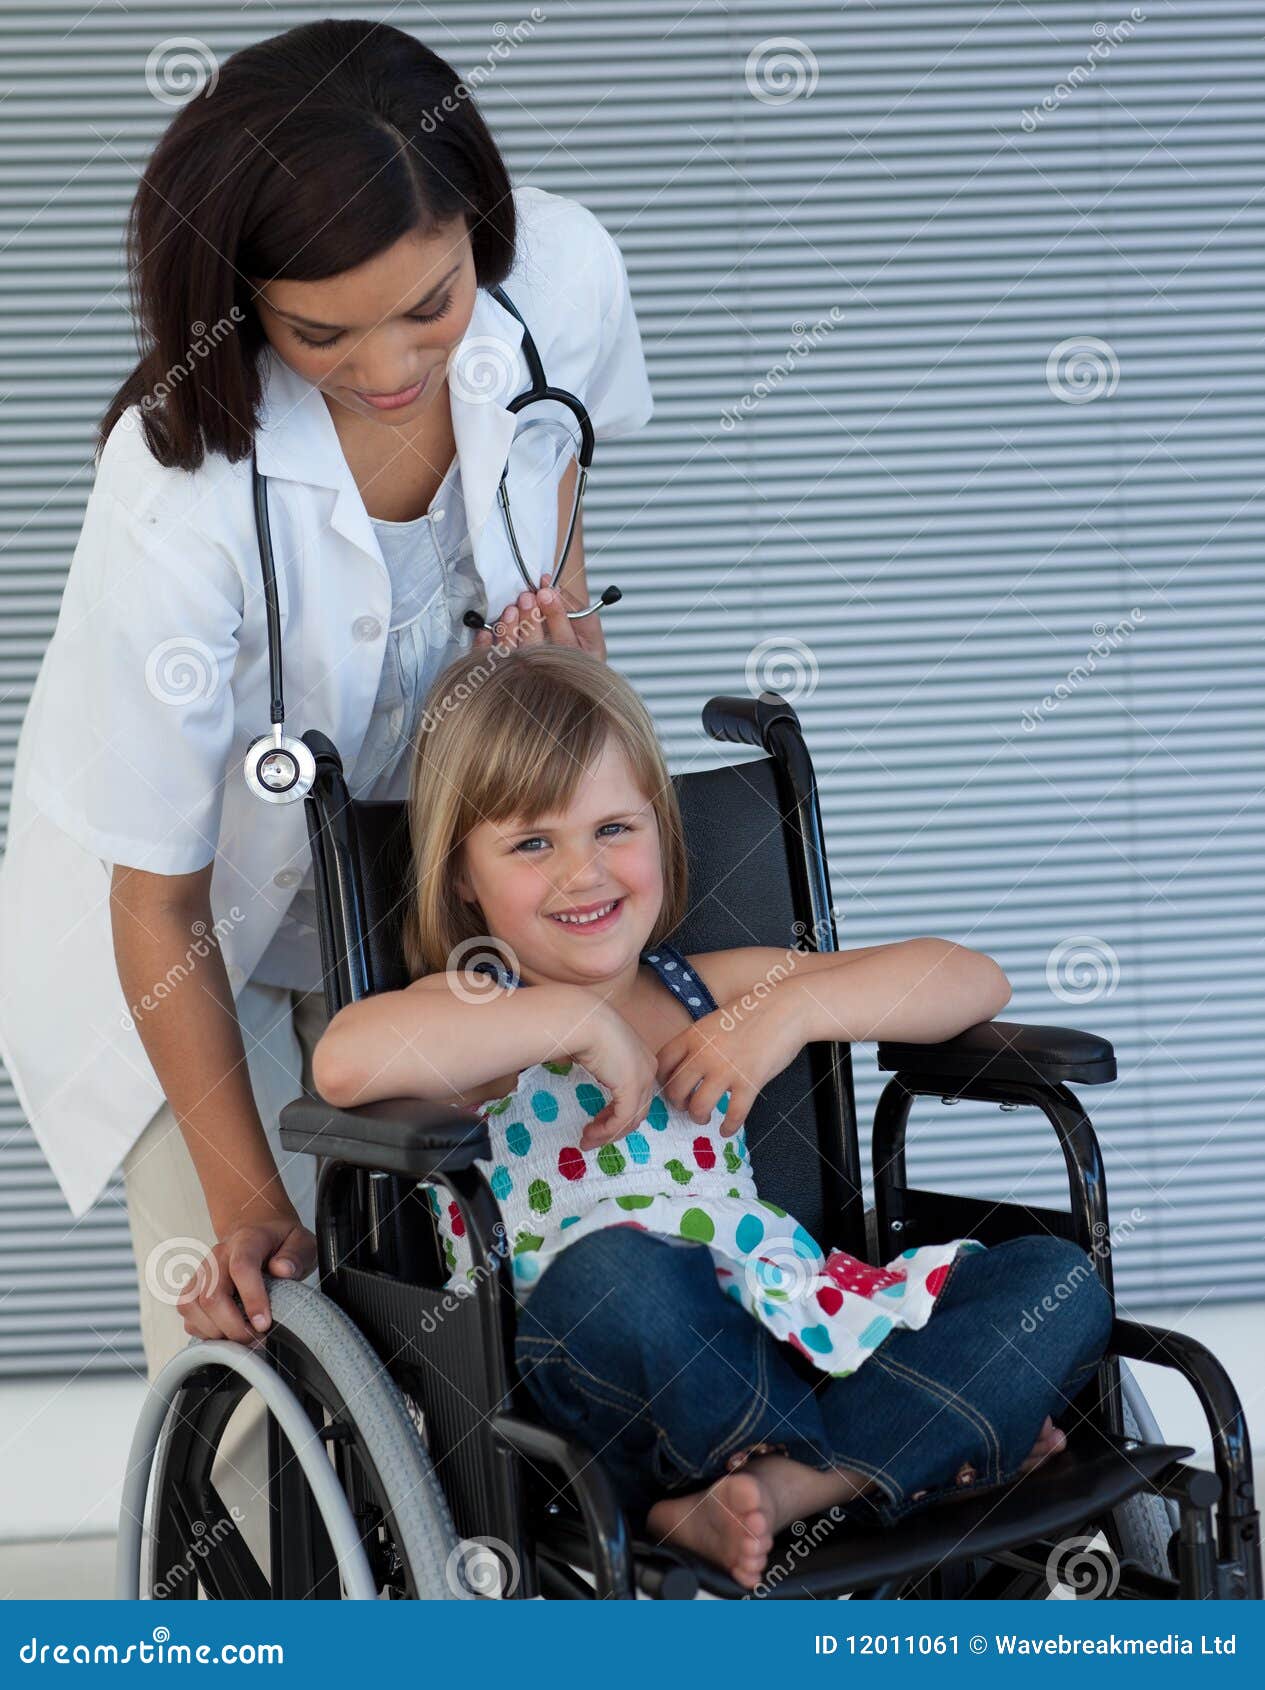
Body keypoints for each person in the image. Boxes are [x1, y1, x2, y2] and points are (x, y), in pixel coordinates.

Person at [0, 19, 652, 1572]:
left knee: (468, 1310)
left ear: (478, 231)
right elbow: (153, 893)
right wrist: (245, 1206)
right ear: (238, 308)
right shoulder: (176, 482)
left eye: (429, 306)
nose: (388, 367)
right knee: (256, 1346)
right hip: (184, 928)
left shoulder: (558, 276)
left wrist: (551, 665)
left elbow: (557, 515)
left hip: (415, 877)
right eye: (318, 335)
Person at [311, 643, 1115, 1590]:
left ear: (660, 828)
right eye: (533, 843)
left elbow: (971, 977)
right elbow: (342, 1061)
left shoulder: (707, 992)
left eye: (613, 827)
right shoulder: (470, 1005)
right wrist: (570, 1021)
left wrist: (791, 1011)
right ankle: (921, 1441)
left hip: (787, 1327)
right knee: (624, 1276)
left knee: (1054, 1284)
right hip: (605, 1373)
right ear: (460, 878)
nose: (584, 872)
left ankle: (787, 1491)